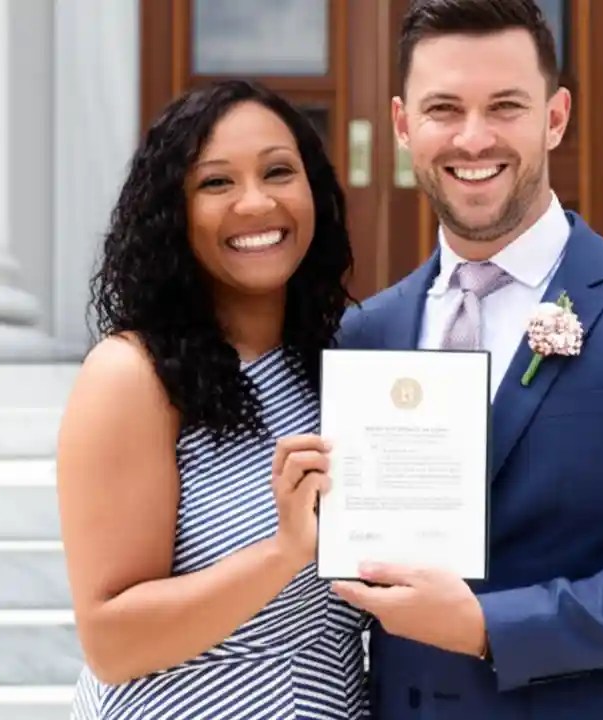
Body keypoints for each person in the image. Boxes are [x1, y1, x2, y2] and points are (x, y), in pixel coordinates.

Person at [330, 1, 603, 717]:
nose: (474, 138)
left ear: (556, 117)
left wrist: (489, 628)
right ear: (403, 126)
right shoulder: (364, 334)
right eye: (444, 108)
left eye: (505, 106)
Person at [56, 79, 367, 719]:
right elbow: (112, 643)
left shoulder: (335, 368)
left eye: (279, 172)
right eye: (217, 183)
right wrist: (284, 553)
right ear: (174, 212)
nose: (256, 203)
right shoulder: (133, 377)